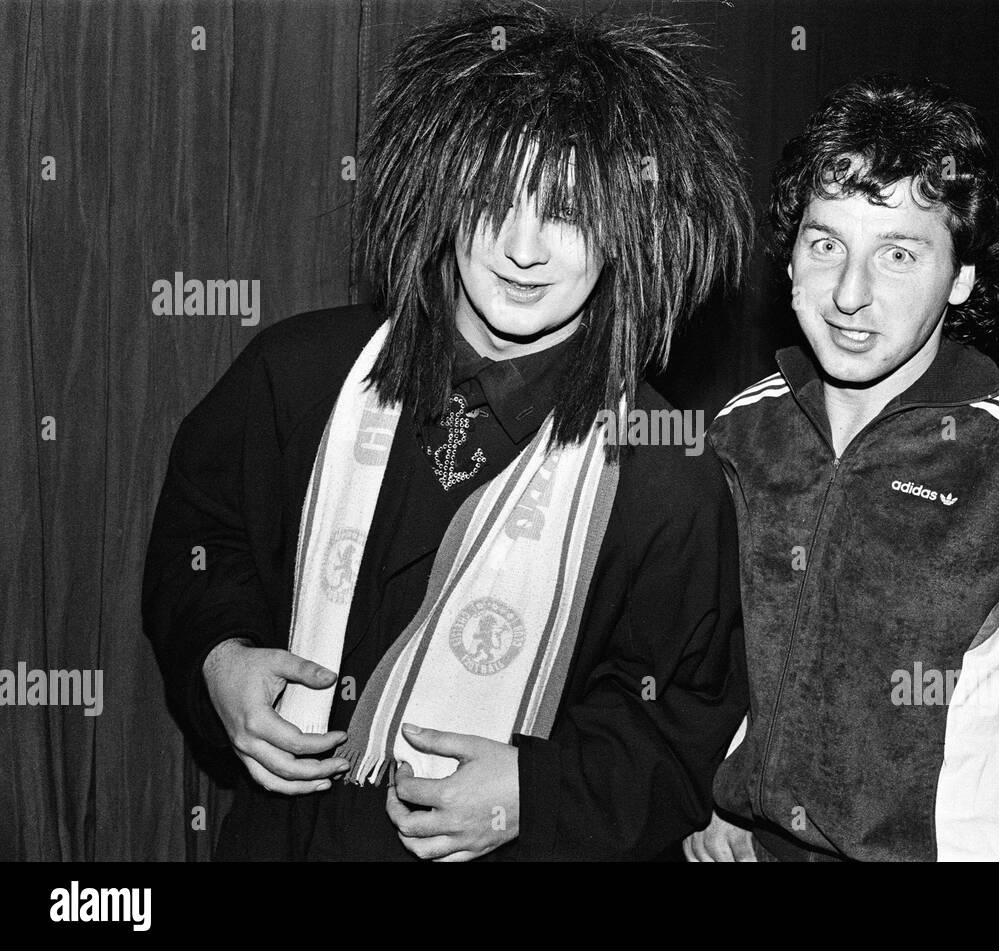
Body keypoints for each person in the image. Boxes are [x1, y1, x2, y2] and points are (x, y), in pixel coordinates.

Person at [142, 2, 751, 861]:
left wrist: (534, 794)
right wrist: (219, 658)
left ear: (627, 234)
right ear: (442, 190)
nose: (523, 247)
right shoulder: (299, 372)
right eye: (495, 195)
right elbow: (199, 541)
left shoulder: (664, 470)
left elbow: (680, 725)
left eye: (569, 212)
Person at [686, 74, 999, 862]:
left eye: (897, 253)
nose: (849, 293)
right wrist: (727, 785)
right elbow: (735, 655)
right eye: (826, 245)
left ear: (960, 277)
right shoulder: (741, 430)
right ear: (789, 261)